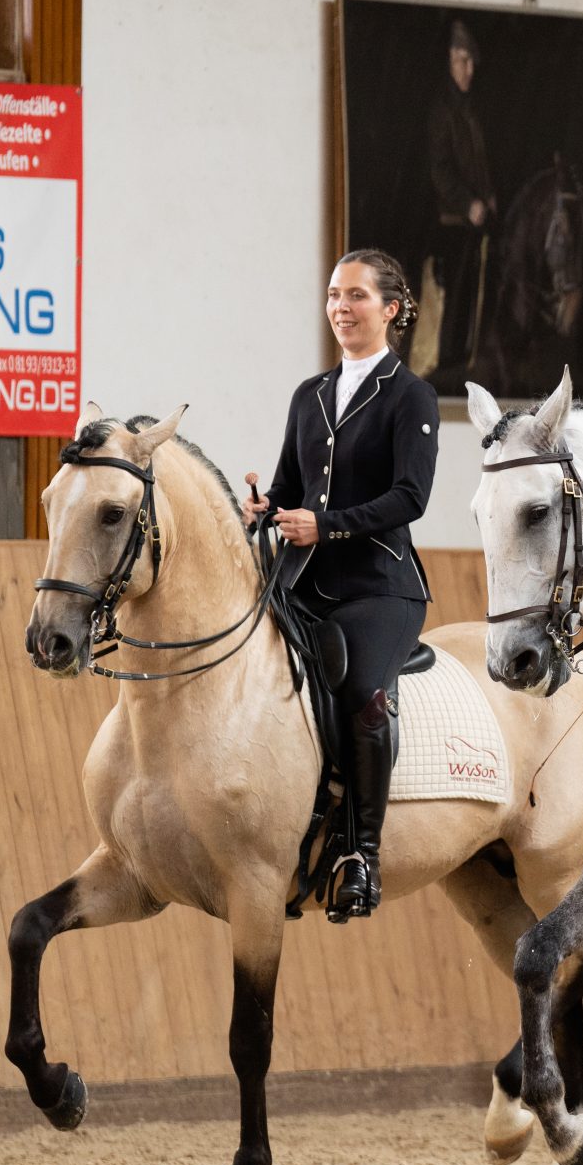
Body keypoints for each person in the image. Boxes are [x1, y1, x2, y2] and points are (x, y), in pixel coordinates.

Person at [242, 251, 437, 921]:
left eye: (355, 296)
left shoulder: (410, 396)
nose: (341, 307)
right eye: (333, 295)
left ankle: (363, 854)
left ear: (389, 309)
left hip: (380, 585)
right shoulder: (309, 395)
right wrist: (266, 507)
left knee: (363, 695)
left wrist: (324, 525)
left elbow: (410, 497)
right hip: (303, 581)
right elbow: (291, 491)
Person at [424, 18, 499, 393]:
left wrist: (487, 196)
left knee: (472, 296)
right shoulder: (443, 111)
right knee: (454, 298)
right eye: (462, 61)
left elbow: (478, 164)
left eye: (471, 62)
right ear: (450, 61)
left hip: (474, 223)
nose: (468, 70)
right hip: (450, 222)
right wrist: (467, 203)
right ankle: (446, 367)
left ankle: (463, 363)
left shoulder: (470, 111)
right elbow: (440, 170)